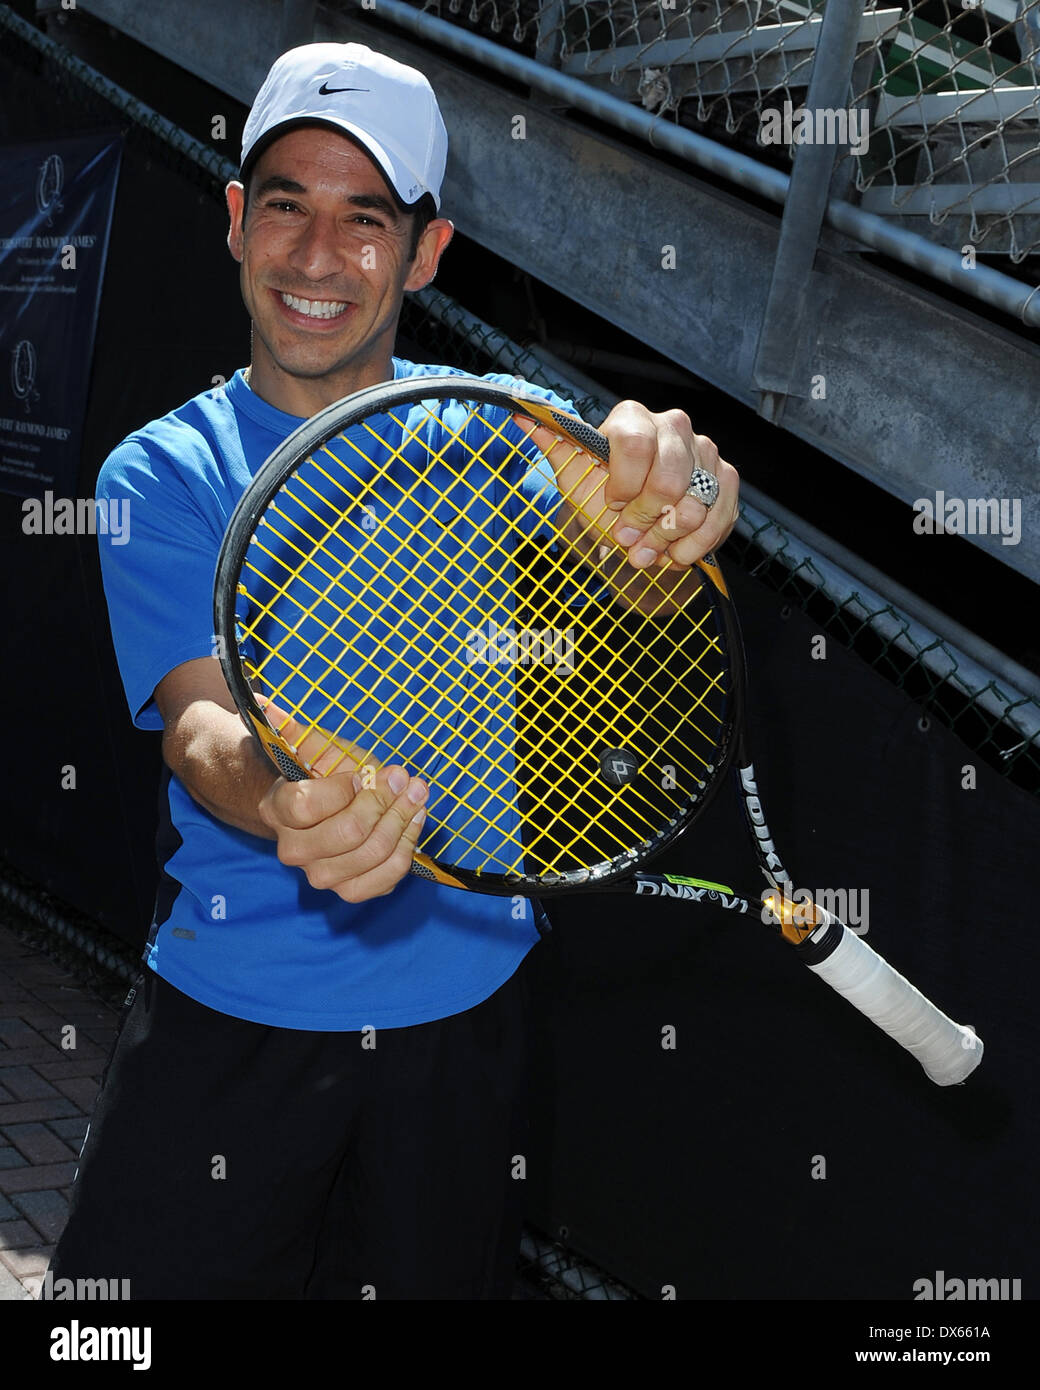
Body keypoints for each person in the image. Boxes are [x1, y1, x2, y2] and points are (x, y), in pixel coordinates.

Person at [49, 41, 739, 1299]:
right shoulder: (158, 473)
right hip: (232, 1018)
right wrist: (284, 802)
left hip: (465, 1025)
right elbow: (200, 730)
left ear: (424, 253)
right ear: (233, 221)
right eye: (287, 207)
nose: (317, 259)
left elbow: (634, 539)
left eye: (364, 220)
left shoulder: (492, 421)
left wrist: (680, 488)